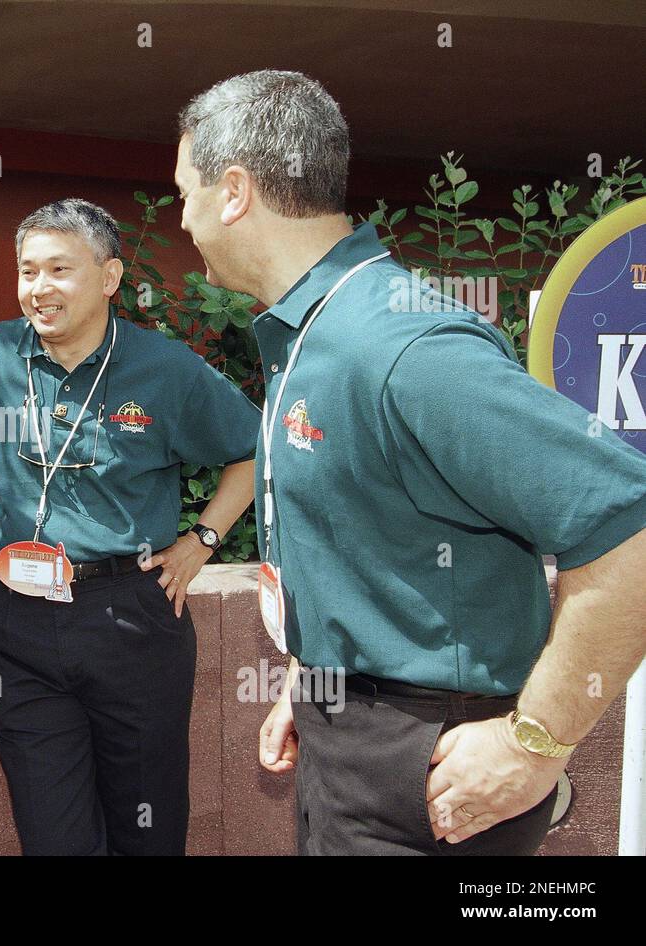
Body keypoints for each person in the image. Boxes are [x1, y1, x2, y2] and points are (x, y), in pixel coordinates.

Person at [174, 69, 646, 855]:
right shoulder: (314, 333)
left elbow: (629, 535)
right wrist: (323, 670)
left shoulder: (404, 347)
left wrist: (532, 747)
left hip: (429, 767)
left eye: (185, 191)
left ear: (233, 192)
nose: (182, 218)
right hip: (352, 736)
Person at [0, 198, 259, 855]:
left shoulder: (164, 368)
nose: (39, 289)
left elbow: (254, 450)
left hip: (132, 617)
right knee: (54, 838)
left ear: (109, 278)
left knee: (148, 833)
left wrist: (203, 541)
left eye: (58, 270)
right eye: (27, 272)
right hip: (17, 622)